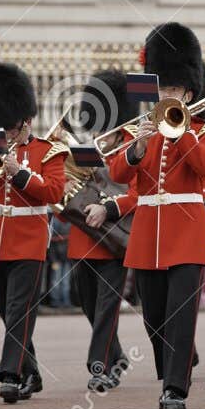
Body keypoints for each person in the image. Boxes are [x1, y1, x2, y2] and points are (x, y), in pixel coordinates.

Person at [90, 23, 205, 409]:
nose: (167, 96)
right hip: (148, 235)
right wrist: (138, 146)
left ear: (188, 93)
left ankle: (175, 387)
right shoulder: (139, 131)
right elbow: (118, 175)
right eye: (163, 89)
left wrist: (181, 134)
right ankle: (172, 371)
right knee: (155, 320)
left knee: (181, 315)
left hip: (186, 231)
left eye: (175, 90)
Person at [0, 60, 67, 404]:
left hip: (30, 239)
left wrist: (20, 173)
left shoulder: (48, 151)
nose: (7, 133)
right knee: (8, 312)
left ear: (27, 120)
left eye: (12, 127)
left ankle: (10, 374)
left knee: (20, 309)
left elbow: (54, 193)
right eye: (2, 127)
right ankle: (31, 372)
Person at [68, 70, 138, 391]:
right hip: (84, 238)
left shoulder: (132, 151)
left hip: (115, 239)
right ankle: (117, 355)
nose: (99, 133)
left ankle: (100, 368)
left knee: (107, 306)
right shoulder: (84, 151)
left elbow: (137, 193)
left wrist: (107, 208)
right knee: (88, 304)